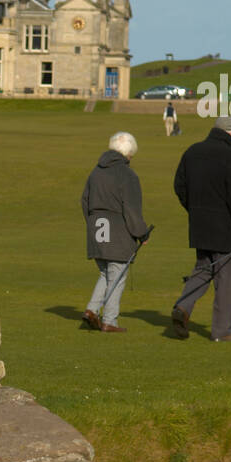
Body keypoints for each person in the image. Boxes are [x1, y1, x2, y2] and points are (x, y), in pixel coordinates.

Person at [171, 115, 231, 342]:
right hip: (226, 230)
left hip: (199, 225)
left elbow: (179, 186)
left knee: (203, 269)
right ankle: (222, 331)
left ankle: (182, 307)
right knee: (225, 281)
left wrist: (195, 209)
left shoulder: (192, 152)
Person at [80, 132, 151, 333]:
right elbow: (132, 209)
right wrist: (142, 233)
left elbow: (84, 201)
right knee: (117, 274)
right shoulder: (128, 175)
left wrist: (93, 222)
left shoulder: (95, 172)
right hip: (117, 232)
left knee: (106, 272)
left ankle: (92, 310)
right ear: (128, 153)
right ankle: (109, 321)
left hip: (97, 228)